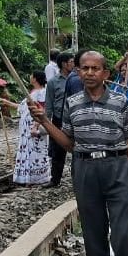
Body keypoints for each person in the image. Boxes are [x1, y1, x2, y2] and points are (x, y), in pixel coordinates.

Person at [31, 52, 128, 256]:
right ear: (78, 72)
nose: (90, 72)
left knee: (123, 236)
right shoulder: (72, 103)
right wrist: (45, 122)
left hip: (118, 170)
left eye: (96, 68)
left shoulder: (120, 102)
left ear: (106, 73)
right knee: (93, 235)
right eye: (84, 68)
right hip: (85, 170)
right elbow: (69, 143)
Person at [44, 52, 76, 186]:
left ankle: (77, 179)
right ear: (64, 64)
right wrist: (46, 123)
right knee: (58, 151)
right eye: (71, 62)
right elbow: (49, 103)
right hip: (59, 119)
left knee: (78, 150)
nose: (74, 64)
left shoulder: (77, 79)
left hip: (75, 119)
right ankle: (55, 180)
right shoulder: (53, 82)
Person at [13, 71, 51, 186]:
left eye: (31, 75)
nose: (30, 77)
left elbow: (42, 109)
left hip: (33, 126)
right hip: (26, 129)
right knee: (28, 151)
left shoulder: (42, 92)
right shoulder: (32, 92)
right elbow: (22, 108)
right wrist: (6, 103)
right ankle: (27, 177)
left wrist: (35, 126)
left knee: (36, 151)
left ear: (34, 78)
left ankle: (38, 178)